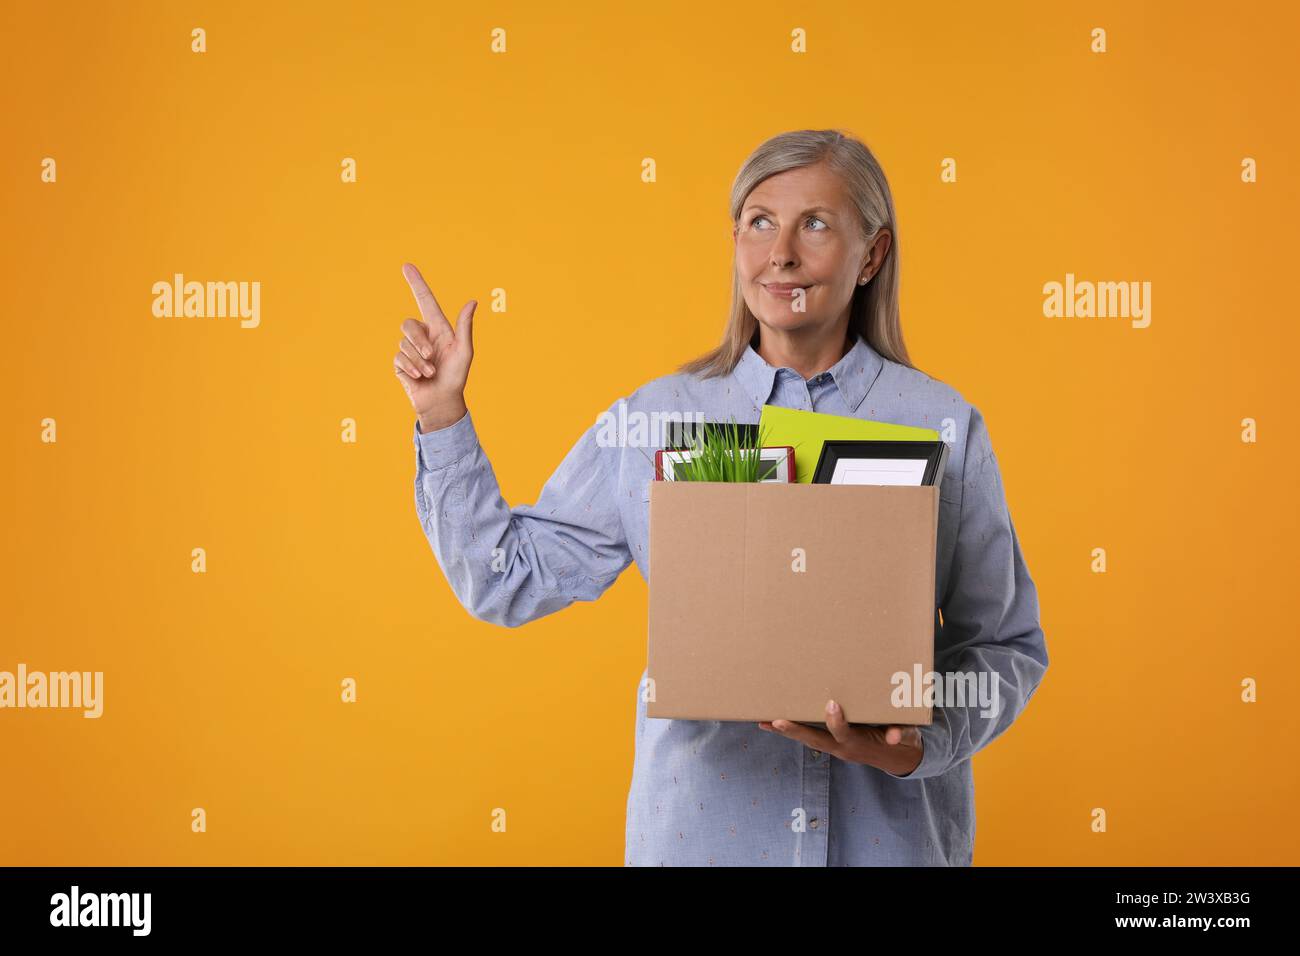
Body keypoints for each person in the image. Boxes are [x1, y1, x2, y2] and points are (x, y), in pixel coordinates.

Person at [393, 128, 1049, 866]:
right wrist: (440, 414)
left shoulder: (944, 424)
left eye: (817, 224)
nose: (782, 254)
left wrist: (917, 744)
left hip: (890, 845)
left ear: (873, 255)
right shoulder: (654, 421)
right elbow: (502, 580)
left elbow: (1005, 646)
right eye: (760, 222)